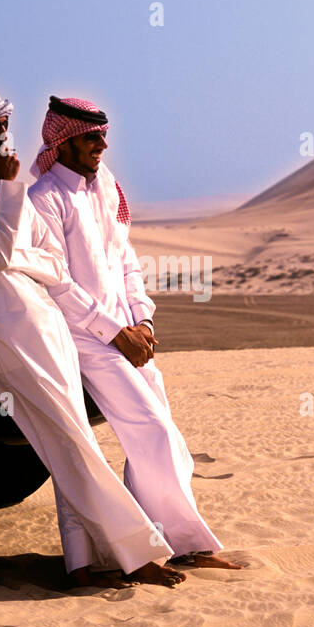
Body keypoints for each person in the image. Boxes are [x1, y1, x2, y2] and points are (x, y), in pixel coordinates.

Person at [0, 88, 185, 588]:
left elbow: (49, 262)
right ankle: (136, 552)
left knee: (72, 438)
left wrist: (8, 232)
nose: (2, 133)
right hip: (2, 330)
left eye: (4, 122)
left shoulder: (2, 189)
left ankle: (81, 562)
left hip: (47, 323)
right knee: (65, 438)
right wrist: (7, 207)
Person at [27, 95, 242, 571]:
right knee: (154, 433)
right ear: (61, 142)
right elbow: (56, 283)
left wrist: (143, 319)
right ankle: (186, 546)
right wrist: (112, 332)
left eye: (103, 135)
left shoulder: (106, 187)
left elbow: (126, 260)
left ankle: (159, 542)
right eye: (89, 137)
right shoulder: (44, 200)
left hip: (129, 333)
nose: (101, 144)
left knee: (164, 438)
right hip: (86, 339)